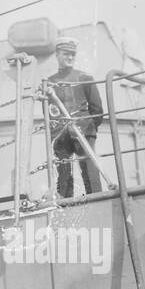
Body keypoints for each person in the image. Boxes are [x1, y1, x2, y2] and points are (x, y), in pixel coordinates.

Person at [47, 37, 105, 198]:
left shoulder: (85, 77)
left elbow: (97, 109)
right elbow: (50, 113)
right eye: (66, 54)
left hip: (84, 130)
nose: (70, 57)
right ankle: (65, 202)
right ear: (57, 54)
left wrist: (89, 127)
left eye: (73, 54)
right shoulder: (50, 82)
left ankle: (97, 199)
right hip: (61, 135)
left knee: (90, 169)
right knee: (63, 173)